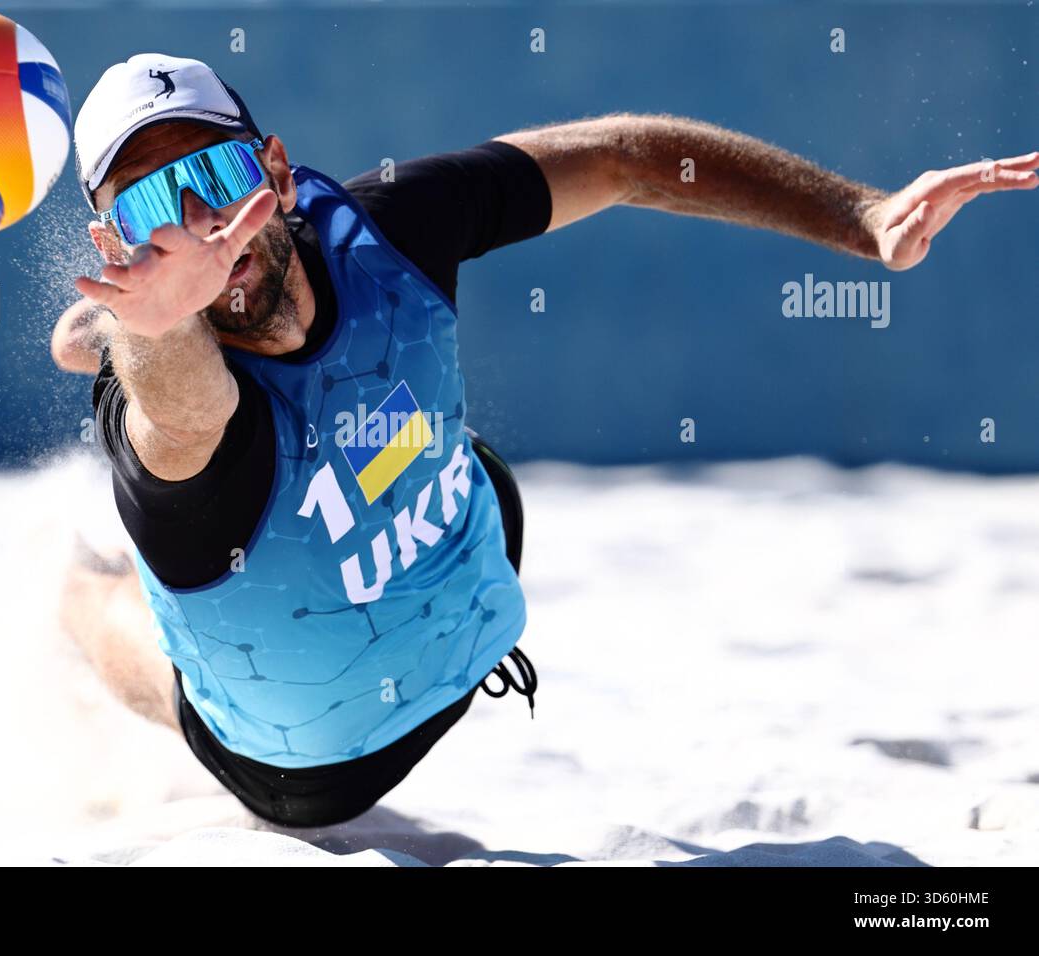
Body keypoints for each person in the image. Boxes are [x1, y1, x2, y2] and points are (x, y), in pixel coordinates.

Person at [55, 53, 1037, 828]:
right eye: (146, 212)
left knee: (393, 416)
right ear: (114, 246)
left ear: (272, 166)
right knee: (111, 608)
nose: (193, 229)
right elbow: (181, 410)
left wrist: (858, 213)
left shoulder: (388, 225)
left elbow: (623, 159)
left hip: (473, 592)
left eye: (213, 178)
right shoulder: (178, 425)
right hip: (304, 768)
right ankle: (62, 585)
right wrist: (147, 324)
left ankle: (94, 329)